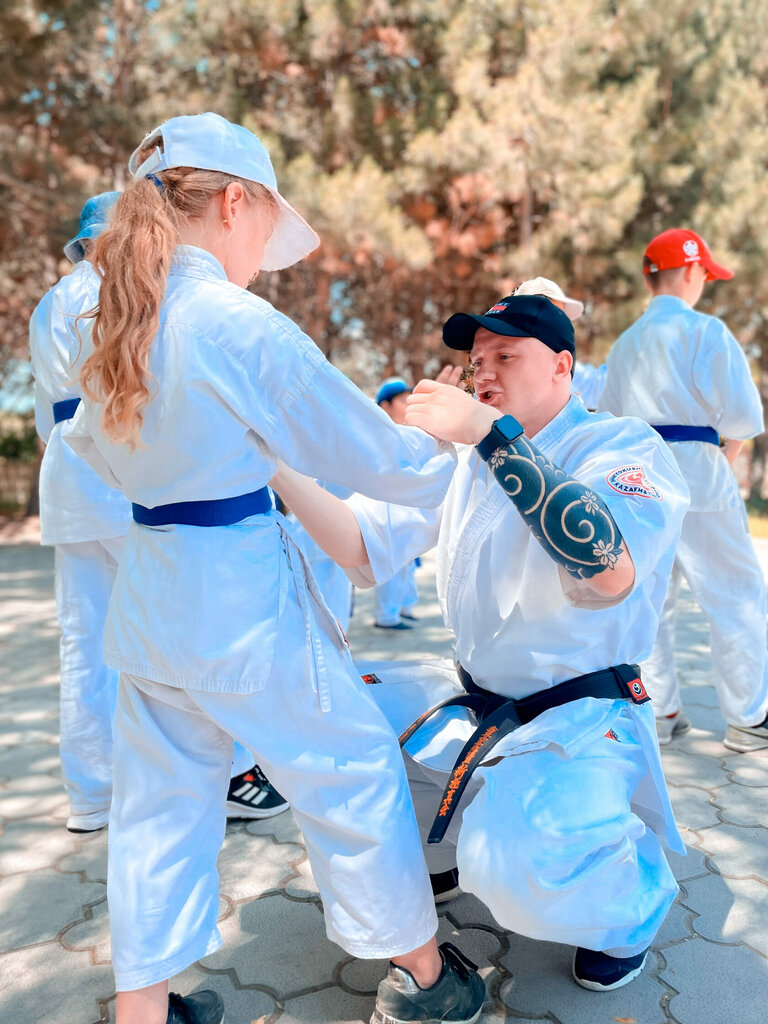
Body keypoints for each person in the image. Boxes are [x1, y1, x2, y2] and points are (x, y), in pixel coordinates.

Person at [64, 112, 484, 1024]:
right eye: (262, 227)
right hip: (239, 594)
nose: (263, 250)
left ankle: (143, 1012)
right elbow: (366, 451)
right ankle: (423, 976)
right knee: (348, 769)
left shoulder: (112, 323)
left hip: (150, 590)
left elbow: (89, 449)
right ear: (237, 201)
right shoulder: (231, 320)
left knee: (158, 809)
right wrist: (444, 440)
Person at [273, 293, 690, 992]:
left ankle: (629, 903)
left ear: (562, 365)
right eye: (475, 361)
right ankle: (440, 850)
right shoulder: (467, 459)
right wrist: (274, 469)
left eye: (506, 355)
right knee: (327, 713)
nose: (483, 372)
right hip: (477, 699)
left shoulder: (620, 445)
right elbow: (359, 543)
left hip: (580, 718)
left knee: (515, 863)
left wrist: (495, 439)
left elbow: (609, 567)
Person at [597, 228, 768, 751]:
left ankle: (661, 711)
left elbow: (608, 419)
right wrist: (716, 463)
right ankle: (748, 718)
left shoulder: (625, 344)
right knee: (734, 592)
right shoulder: (707, 331)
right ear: (693, 272)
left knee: (651, 598)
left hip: (640, 473)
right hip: (699, 464)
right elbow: (740, 418)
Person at [29, 191, 131, 834]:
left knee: (84, 642)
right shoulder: (114, 297)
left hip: (67, 472)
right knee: (169, 621)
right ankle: (219, 774)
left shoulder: (49, 304)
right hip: (118, 462)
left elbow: (46, 414)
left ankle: (92, 796)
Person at [514, 275, 607, 410]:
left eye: (563, 317)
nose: (561, 325)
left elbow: (595, 386)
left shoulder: (561, 364)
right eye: (554, 315)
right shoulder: (500, 370)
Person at [373, 377, 421, 630]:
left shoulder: (407, 433)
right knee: (390, 562)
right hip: (386, 509)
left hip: (405, 508)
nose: (408, 404)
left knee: (406, 564)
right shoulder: (379, 436)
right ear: (385, 405)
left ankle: (401, 608)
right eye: (403, 400)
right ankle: (386, 615)